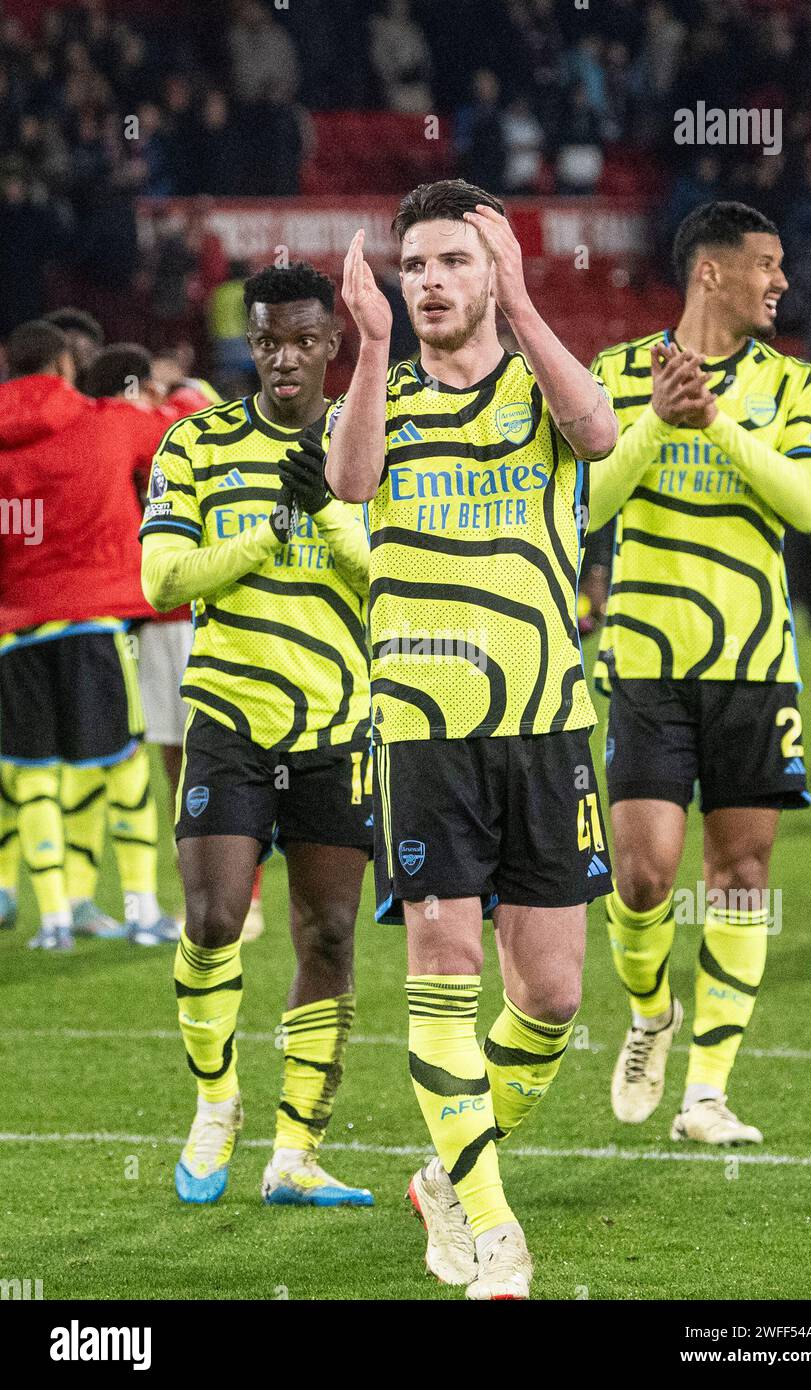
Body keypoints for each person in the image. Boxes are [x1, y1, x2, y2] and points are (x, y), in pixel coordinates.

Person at [325, 178, 618, 1300]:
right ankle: (492, 1231)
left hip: (547, 723)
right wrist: (368, 349)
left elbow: (597, 431)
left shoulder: (541, 388)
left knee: (548, 995)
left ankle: (447, 1171)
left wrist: (533, 308)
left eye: (452, 261)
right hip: (423, 734)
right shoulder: (385, 394)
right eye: (415, 266)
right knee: (442, 965)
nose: (430, 283)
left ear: (491, 272)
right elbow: (348, 483)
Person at [589, 201, 811, 1145]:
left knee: (739, 873)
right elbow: (586, 502)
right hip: (646, 665)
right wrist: (657, 420)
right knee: (645, 877)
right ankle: (651, 1015)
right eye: (765, 264)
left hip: (753, 667)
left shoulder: (788, 383)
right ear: (710, 273)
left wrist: (718, 421)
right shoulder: (617, 374)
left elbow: (810, 504)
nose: (779, 281)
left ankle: (706, 1094)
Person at [139, 263, 374, 1209]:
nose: (281, 358)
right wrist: (264, 539)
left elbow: (391, 579)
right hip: (231, 721)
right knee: (211, 917)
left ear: (332, 345)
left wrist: (324, 510)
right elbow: (162, 580)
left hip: (338, 726)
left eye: (301, 340)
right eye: (265, 340)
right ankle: (214, 1103)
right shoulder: (194, 443)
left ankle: (296, 1154)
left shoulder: (371, 448)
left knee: (327, 938)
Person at [0, 320, 177, 949]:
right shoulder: (105, 421)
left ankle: (51, 921)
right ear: (64, 366)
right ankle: (141, 910)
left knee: (35, 772)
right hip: (96, 624)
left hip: (15, 631)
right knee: (125, 768)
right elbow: (179, 435)